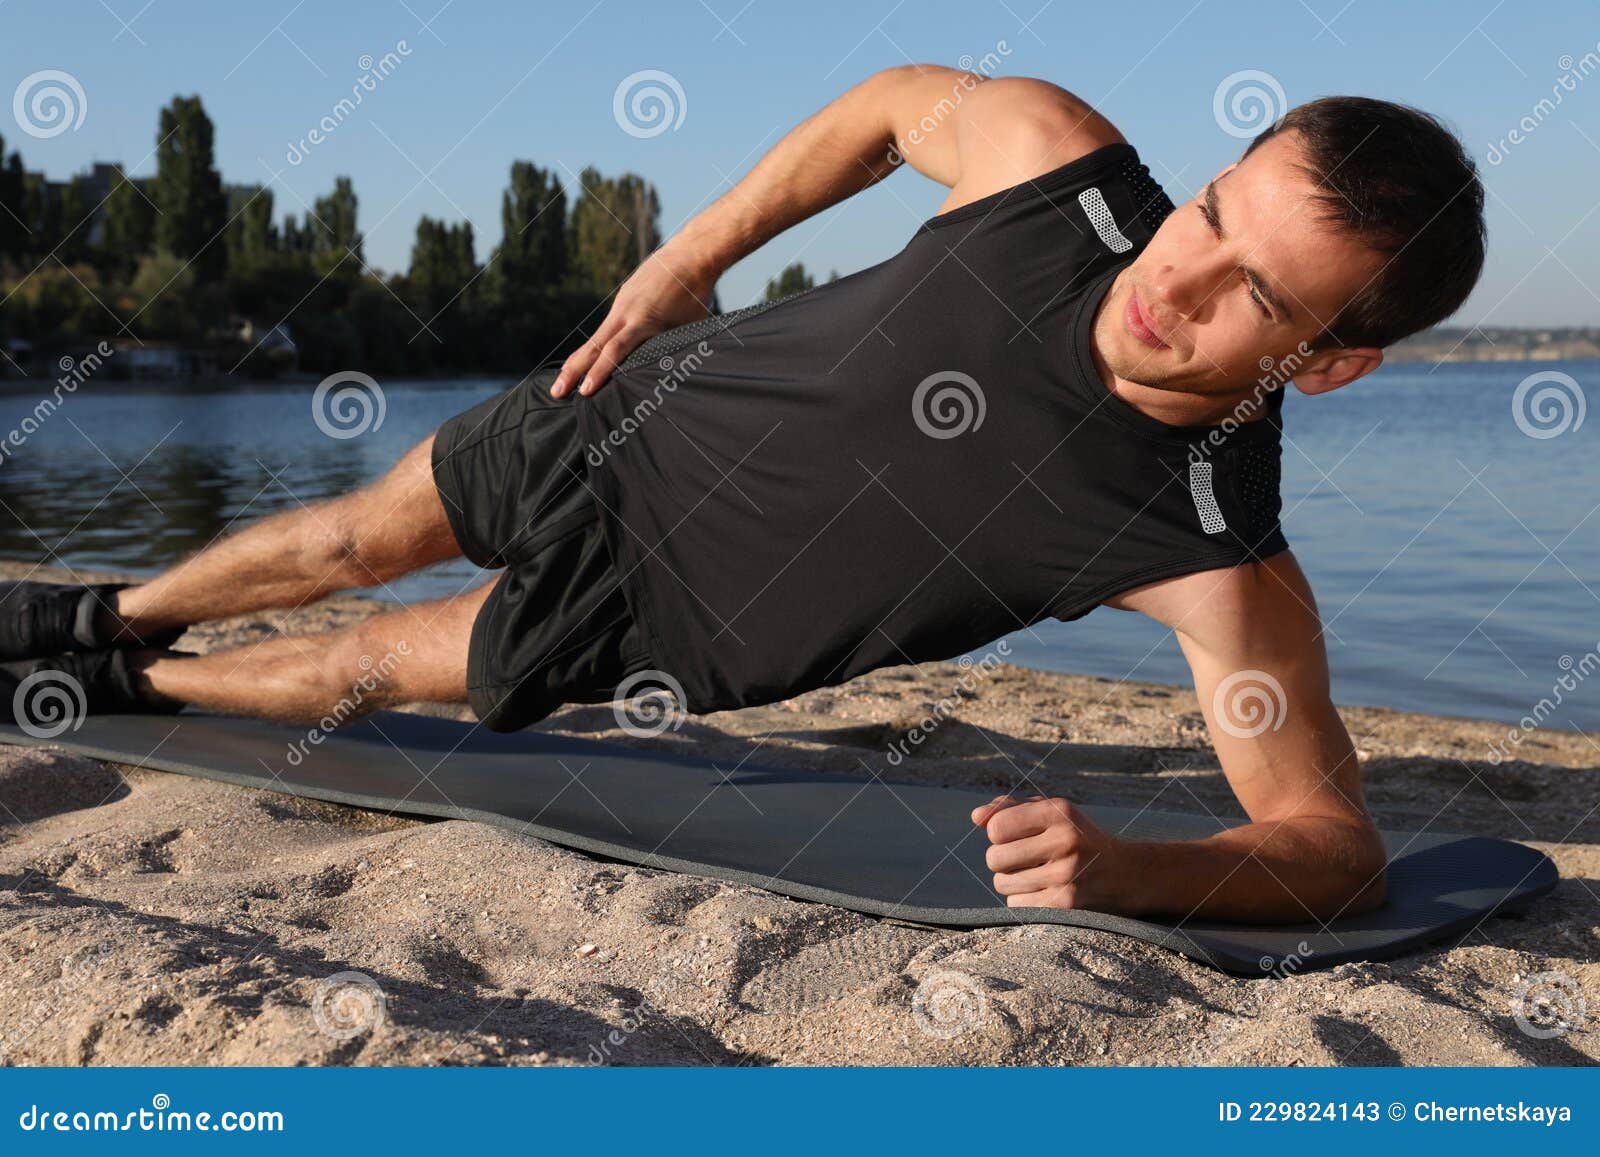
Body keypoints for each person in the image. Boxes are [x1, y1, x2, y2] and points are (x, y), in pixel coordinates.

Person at [0, 66, 1485, 923]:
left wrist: (1129, 865)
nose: (1184, 276)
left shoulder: (1213, 549)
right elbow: (892, 105)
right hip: (627, 413)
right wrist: (683, 255)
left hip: (671, 616)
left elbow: (1331, 844)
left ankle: (132, 675)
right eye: (1217, 212)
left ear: (1333, 363)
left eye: (1256, 296)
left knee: (358, 664)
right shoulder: (1059, 168)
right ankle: (99, 606)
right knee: (338, 537)